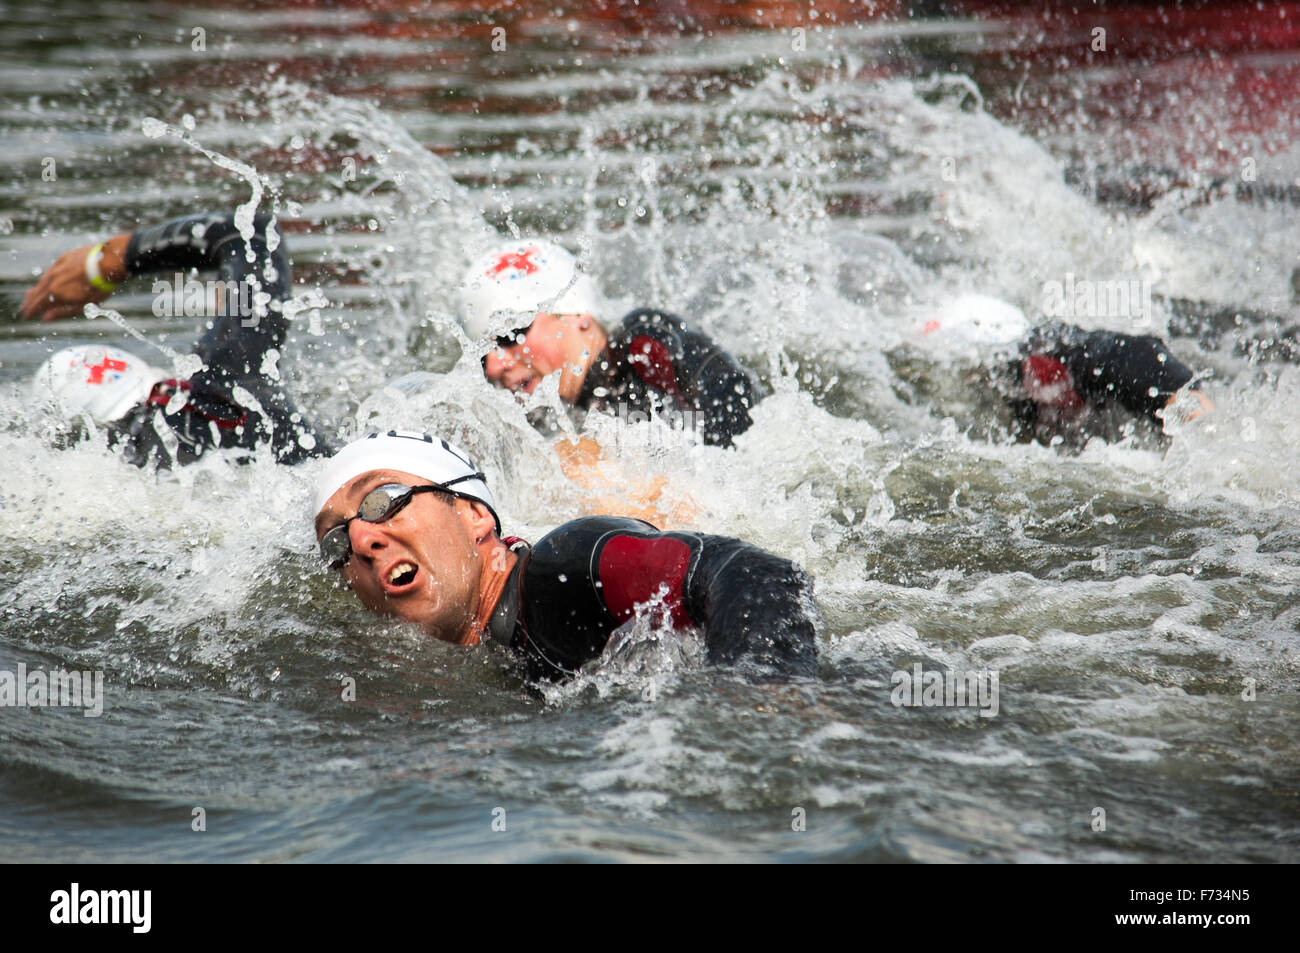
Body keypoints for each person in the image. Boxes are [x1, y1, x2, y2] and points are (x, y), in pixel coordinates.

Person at [313, 430, 818, 681]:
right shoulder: (441, 670)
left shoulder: (568, 572)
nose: (360, 541)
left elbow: (754, 573)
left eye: (383, 501)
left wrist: (761, 697)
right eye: (335, 541)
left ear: (474, 515)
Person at [20, 211, 332, 467]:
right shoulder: (225, 386)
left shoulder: (115, 473)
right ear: (155, 382)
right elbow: (248, 231)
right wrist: (108, 260)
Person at [455, 239, 762, 448]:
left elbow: (743, 433)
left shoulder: (643, 347)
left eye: (510, 334)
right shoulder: (534, 422)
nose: (494, 365)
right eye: (483, 350)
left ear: (578, 315)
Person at [915, 294, 1215, 448]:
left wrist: (1211, 450)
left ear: (1039, 365)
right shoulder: (1028, 400)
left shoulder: (1100, 358)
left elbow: (1195, 408)